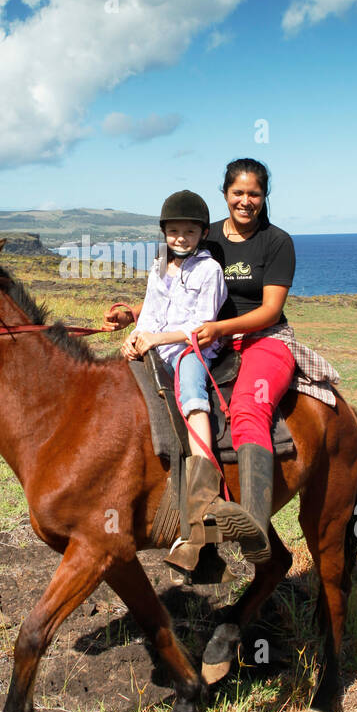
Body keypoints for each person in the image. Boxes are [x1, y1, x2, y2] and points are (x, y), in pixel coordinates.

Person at [106, 158, 297, 569]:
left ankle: (255, 526)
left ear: (264, 198)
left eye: (254, 194)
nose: (246, 201)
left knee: (247, 407)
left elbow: (268, 311)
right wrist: (134, 316)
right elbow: (173, 299)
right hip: (205, 336)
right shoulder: (205, 243)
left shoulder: (277, 242)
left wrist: (215, 327)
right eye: (238, 193)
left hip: (260, 338)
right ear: (226, 194)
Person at [120, 189, 261, 574]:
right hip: (156, 347)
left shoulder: (209, 270)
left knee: (190, 391)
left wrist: (157, 340)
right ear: (164, 231)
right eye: (173, 230)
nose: (180, 237)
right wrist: (135, 338)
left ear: (201, 233)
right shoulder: (159, 265)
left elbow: (198, 327)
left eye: (189, 231)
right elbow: (149, 313)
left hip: (191, 350)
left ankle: (203, 496)